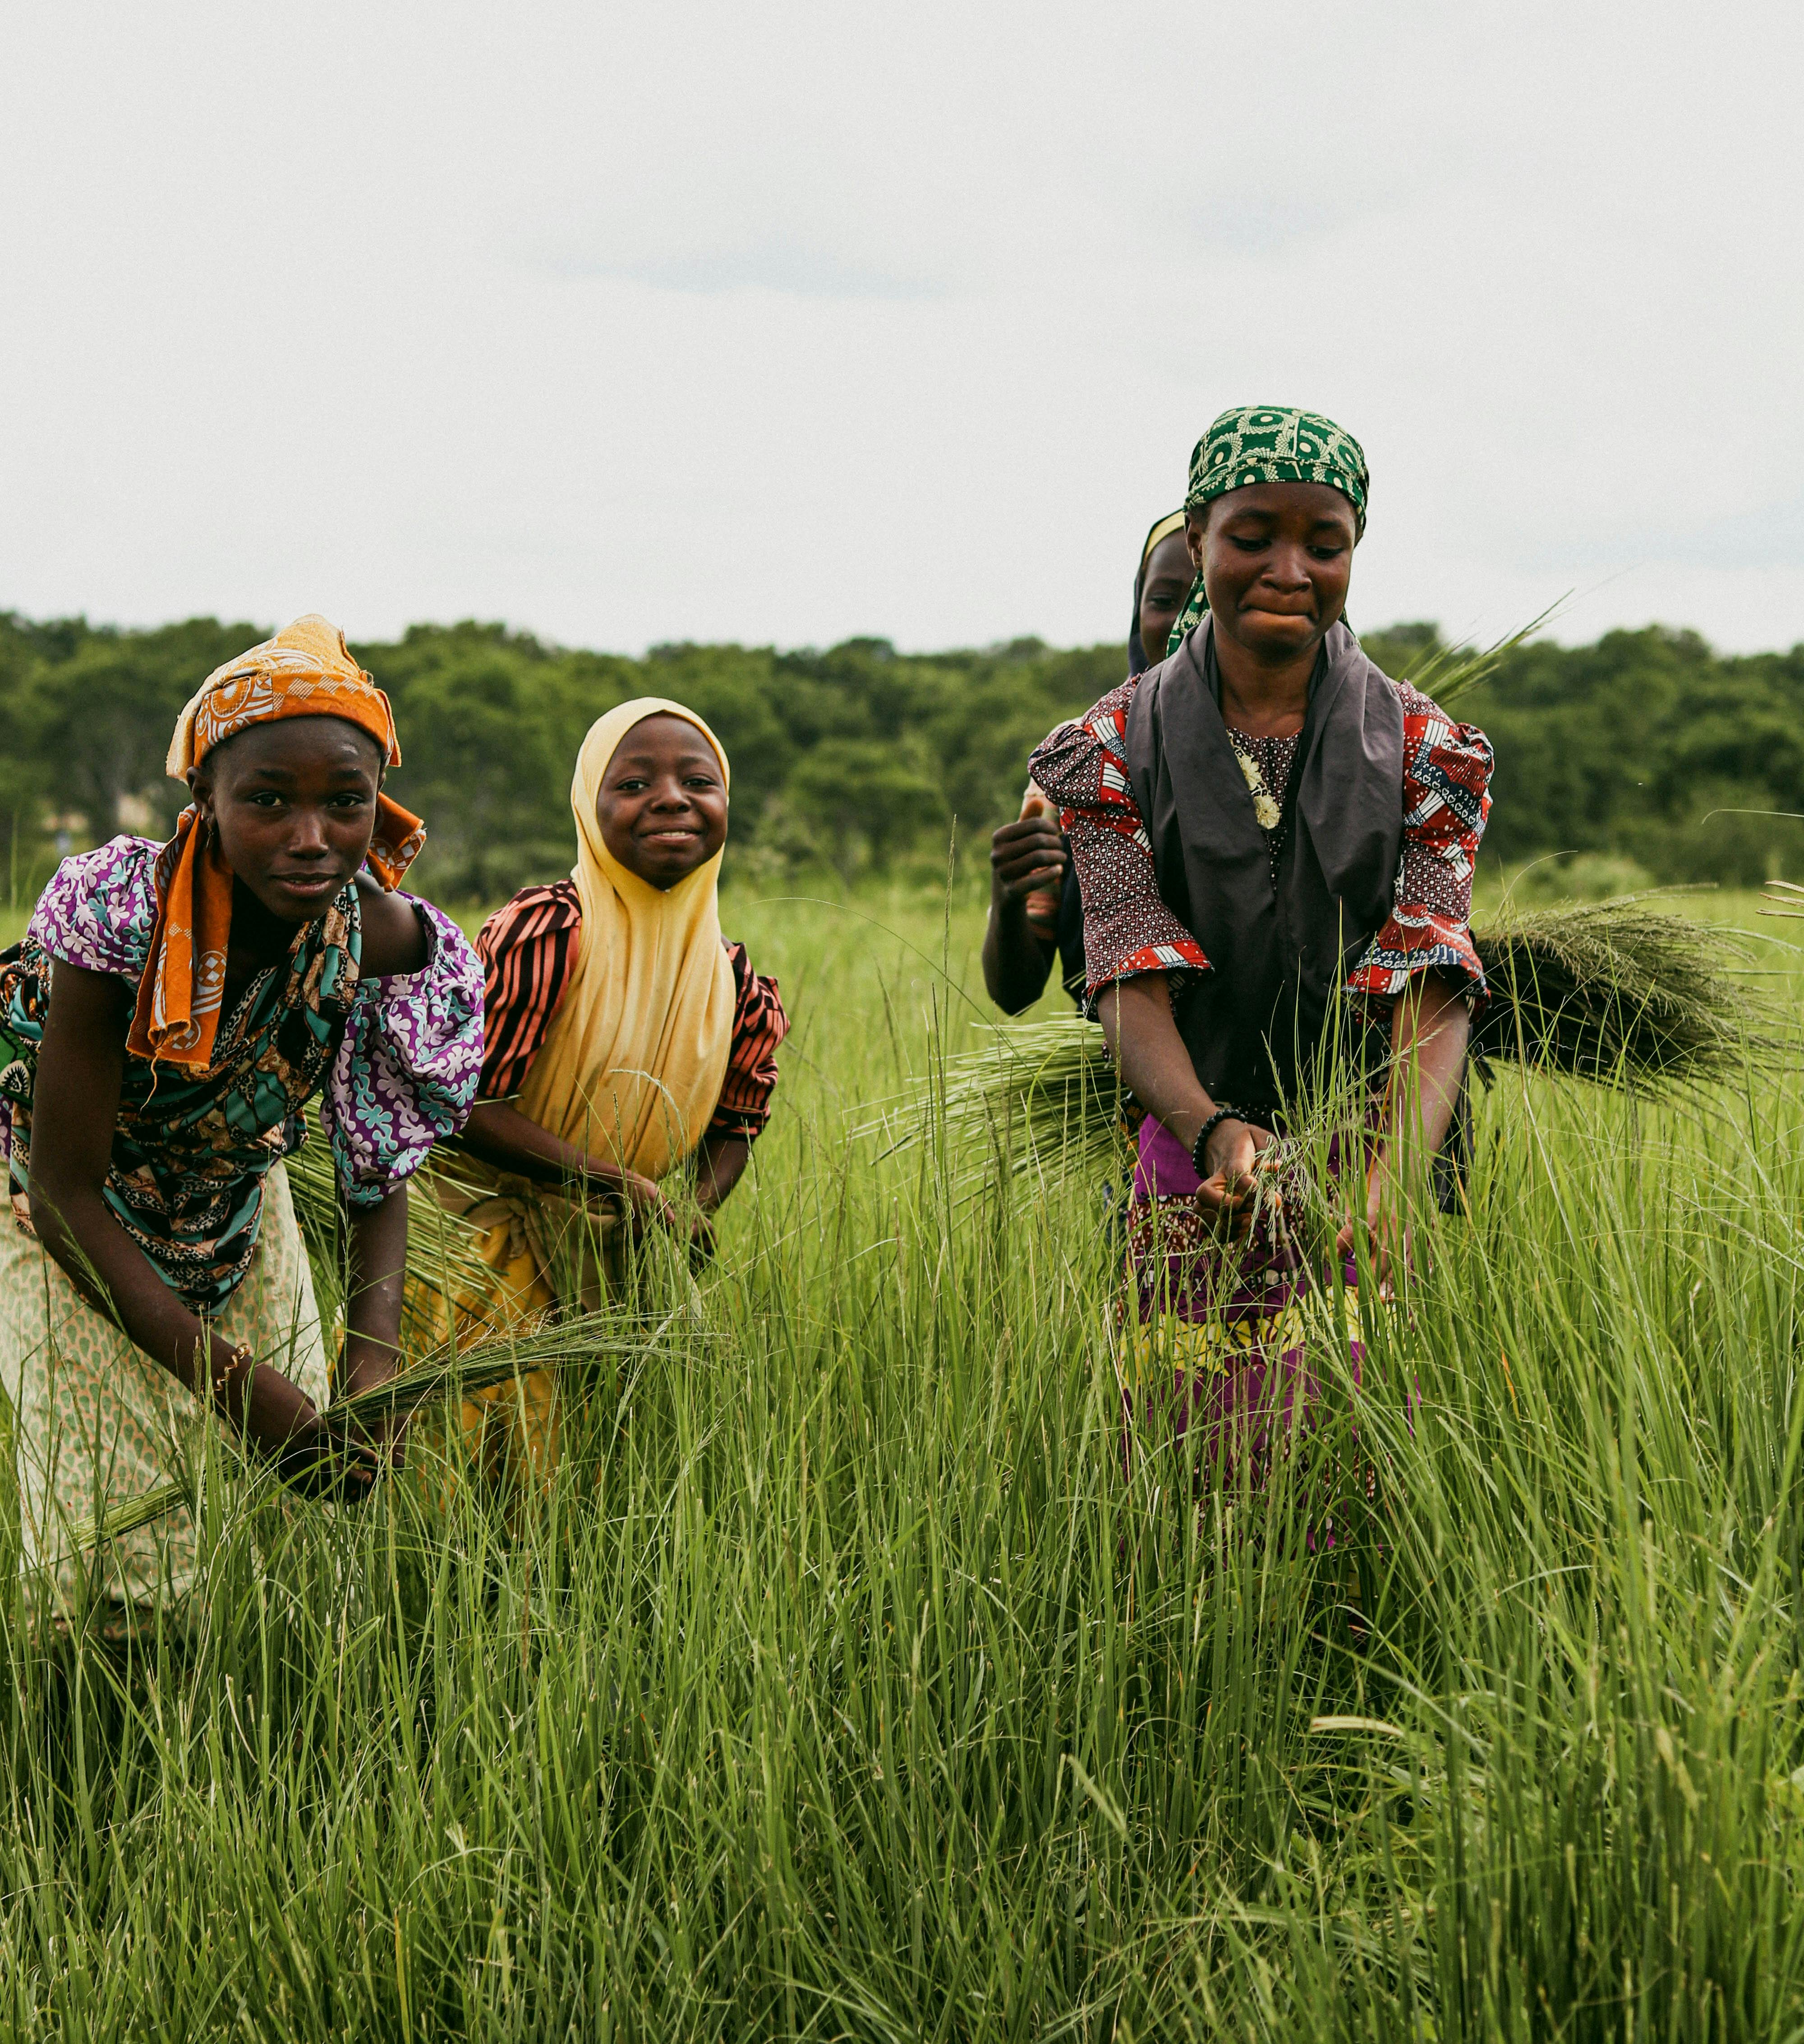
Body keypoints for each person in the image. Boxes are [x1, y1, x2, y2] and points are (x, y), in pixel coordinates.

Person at [1028, 406, 1493, 1481]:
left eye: (1321, 543)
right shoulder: (1103, 751)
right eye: (1252, 537)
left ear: (1352, 551)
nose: (1289, 569)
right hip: (1192, 1139)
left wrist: (1388, 1171)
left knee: (1355, 1439)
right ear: (1197, 539)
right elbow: (1129, 975)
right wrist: (1211, 1130)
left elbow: (1429, 979)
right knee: (1189, 1445)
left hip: (1367, 1135)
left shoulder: (1429, 751)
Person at [0, 615, 484, 1612]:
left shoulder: (380, 937)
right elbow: (62, 1192)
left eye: (345, 803)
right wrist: (243, 1390)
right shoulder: (118, 918)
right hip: (58, 1206)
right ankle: (94, 1743)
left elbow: (376, 1162)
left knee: (299, 1533)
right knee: (121, 1553)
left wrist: (370, 1372)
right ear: (204, 801)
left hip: (231, 1185)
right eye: (267, 800)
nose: (312, 838)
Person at [427, 696, 788, 1480]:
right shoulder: (549, 933)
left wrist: (689, 1210)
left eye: (700, 780)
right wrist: (616, 1182)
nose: (670, 798)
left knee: (603, 1481)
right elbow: (465, 1106)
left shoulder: (731, 982)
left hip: (618, 1259)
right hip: (491, 1246)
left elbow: (738, 1122)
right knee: (485, 1478)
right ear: (589, 808)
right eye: (632, 785)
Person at [983, 512, 1194, 1013]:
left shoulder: (1316, 748)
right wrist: (1010, 896)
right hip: (1114, 1067)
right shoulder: (1080, 759)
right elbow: (1014, 994)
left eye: (1206, 601)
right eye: (1163, 602)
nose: (1185, 622)